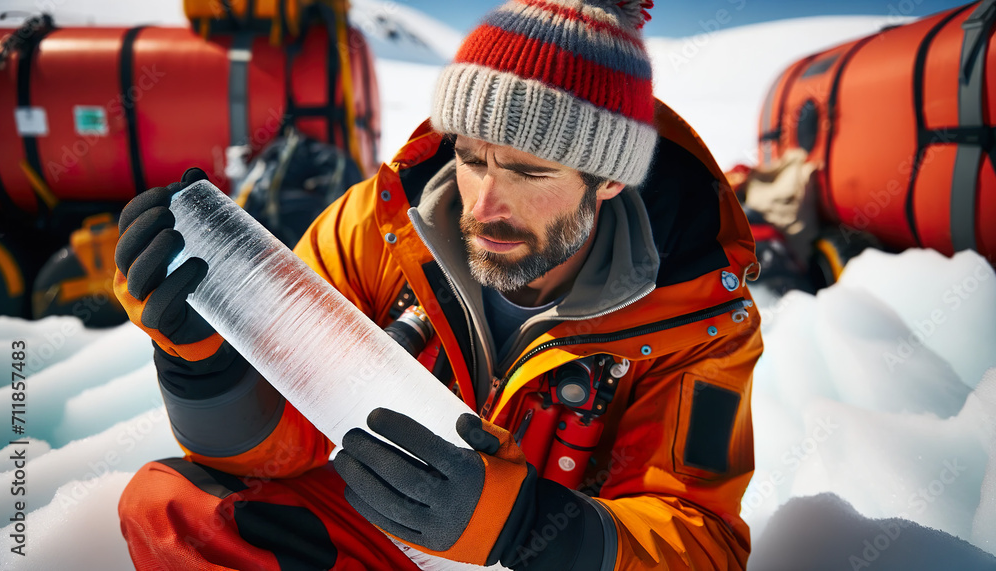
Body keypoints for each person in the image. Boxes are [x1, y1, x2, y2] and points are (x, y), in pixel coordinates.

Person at [114, 0, 763, 569]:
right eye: (471, 156)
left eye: (529, 172)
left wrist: (526, 527)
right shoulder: (374, 226)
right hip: (381, 538)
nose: (483, 203)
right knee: (174, 505)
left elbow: (703, 541)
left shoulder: (702, 322)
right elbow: (278, 450)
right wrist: (206, 366)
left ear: (610, 179)